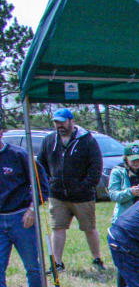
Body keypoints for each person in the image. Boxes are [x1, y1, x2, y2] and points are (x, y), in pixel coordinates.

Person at [36, 108, 104, 271]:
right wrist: (49, 183)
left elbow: (96, 166)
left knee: (89, 228)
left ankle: (97, 259)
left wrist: (85, 186)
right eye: (56, 122)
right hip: (58, 195)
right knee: (57, 228)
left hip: (83, 196)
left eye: (62, 121)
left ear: (71, 121)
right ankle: (57, 263)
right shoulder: (49, 140)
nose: (59, 125)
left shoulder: (87, 140)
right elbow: (41, 164)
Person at [0, 130, 47, 287]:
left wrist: (31, 210)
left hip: (21, 218)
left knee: (32, 265)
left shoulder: (19, 155)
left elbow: (41, 185)